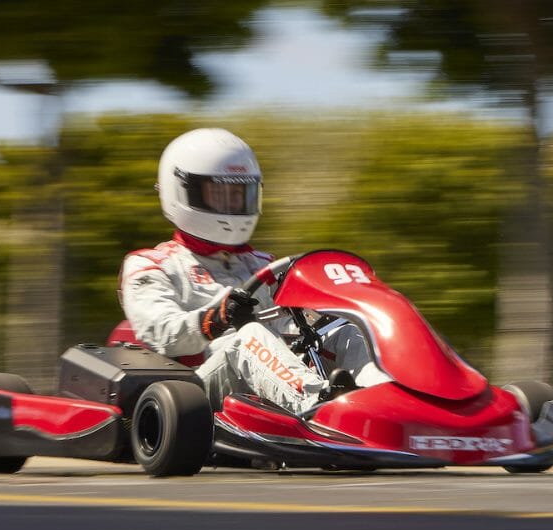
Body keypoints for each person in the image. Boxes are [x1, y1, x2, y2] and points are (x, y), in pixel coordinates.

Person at [118, 128, 389, 414]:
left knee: (347, 333)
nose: (231, 205)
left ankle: (384, 403)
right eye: (218, 194)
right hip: (195, 391)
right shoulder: (151, 265)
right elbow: (161, 333)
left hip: (276, 373)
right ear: (182, 192)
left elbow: (289, 325)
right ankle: (322, 409)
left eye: (238, 195)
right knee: (247, 337)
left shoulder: (263, 264)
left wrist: (321, 316)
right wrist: (214, 318)